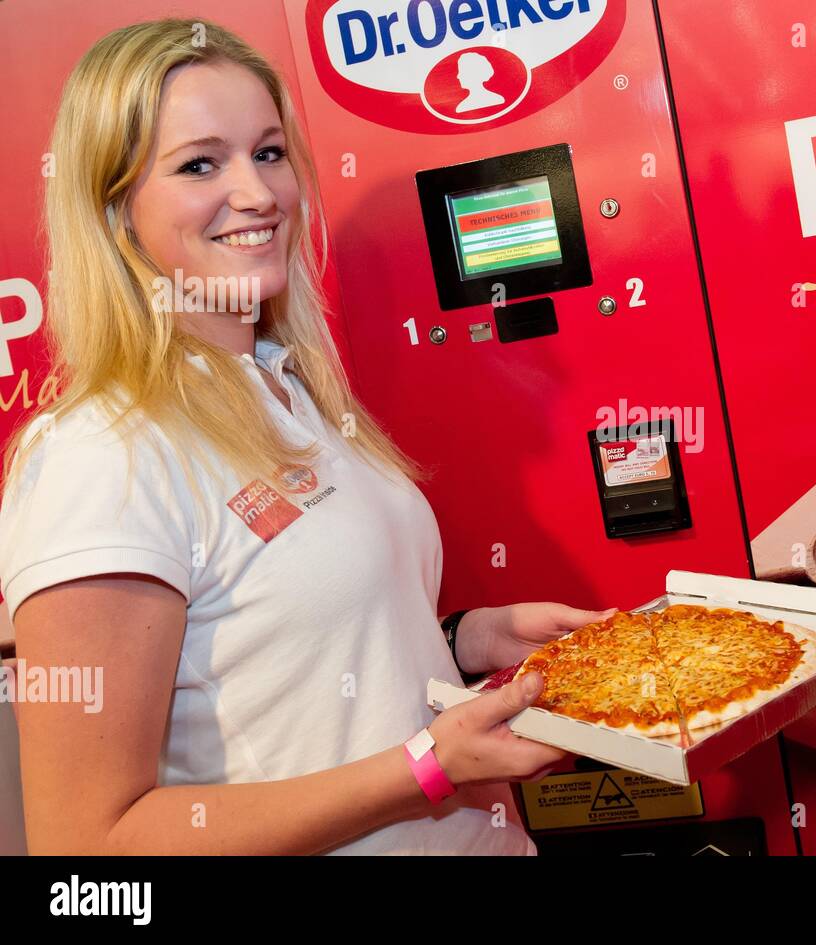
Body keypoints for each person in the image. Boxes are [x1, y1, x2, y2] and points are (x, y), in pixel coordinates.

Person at [0, 18, 607, 855]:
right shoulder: (99, 454)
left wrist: (466, 637)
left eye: (271, 152)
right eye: (200, 164)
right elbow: (88, 846)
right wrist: (427, 770)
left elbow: (289, 660)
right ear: (114, 209)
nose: (258, 194)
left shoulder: (290, 390)